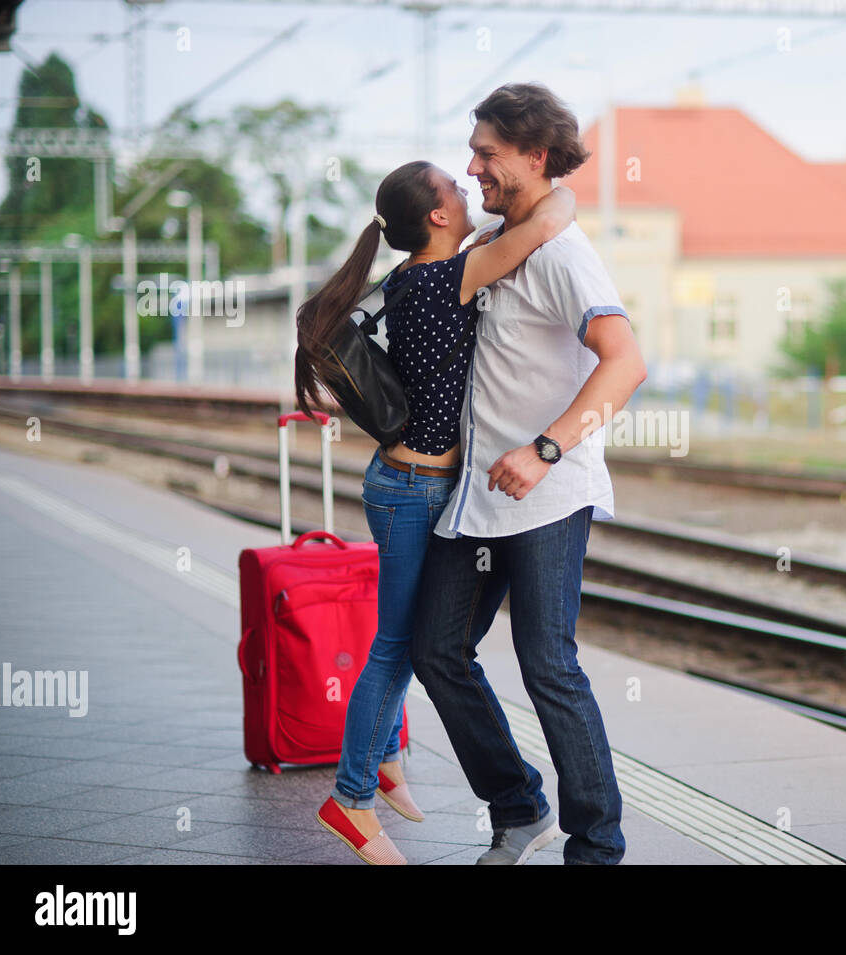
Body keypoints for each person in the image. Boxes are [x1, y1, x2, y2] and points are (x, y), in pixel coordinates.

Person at [293, 159, 576, 865]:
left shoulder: (424, 275)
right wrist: (553, 173)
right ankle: (351, 798)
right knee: (395, 647)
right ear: (439, 216)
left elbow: (494, 240)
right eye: (457, 184)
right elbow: (547, 222)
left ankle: (385, 756)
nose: (469, 184)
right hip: (413, 492)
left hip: (416, 485)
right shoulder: (440, 280)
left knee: (425, 643)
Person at [410, 83, 647, 866]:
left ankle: (597, 846)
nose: (471, 166)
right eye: (472, 152)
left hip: (547, 493)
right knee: (437, 650)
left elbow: (627, 364)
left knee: (548, 664)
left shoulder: (565, 255)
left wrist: (546, 448)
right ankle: (518, 804)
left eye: (486, 153)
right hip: (477, 496)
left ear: (535, 157)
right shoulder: (495, 240)